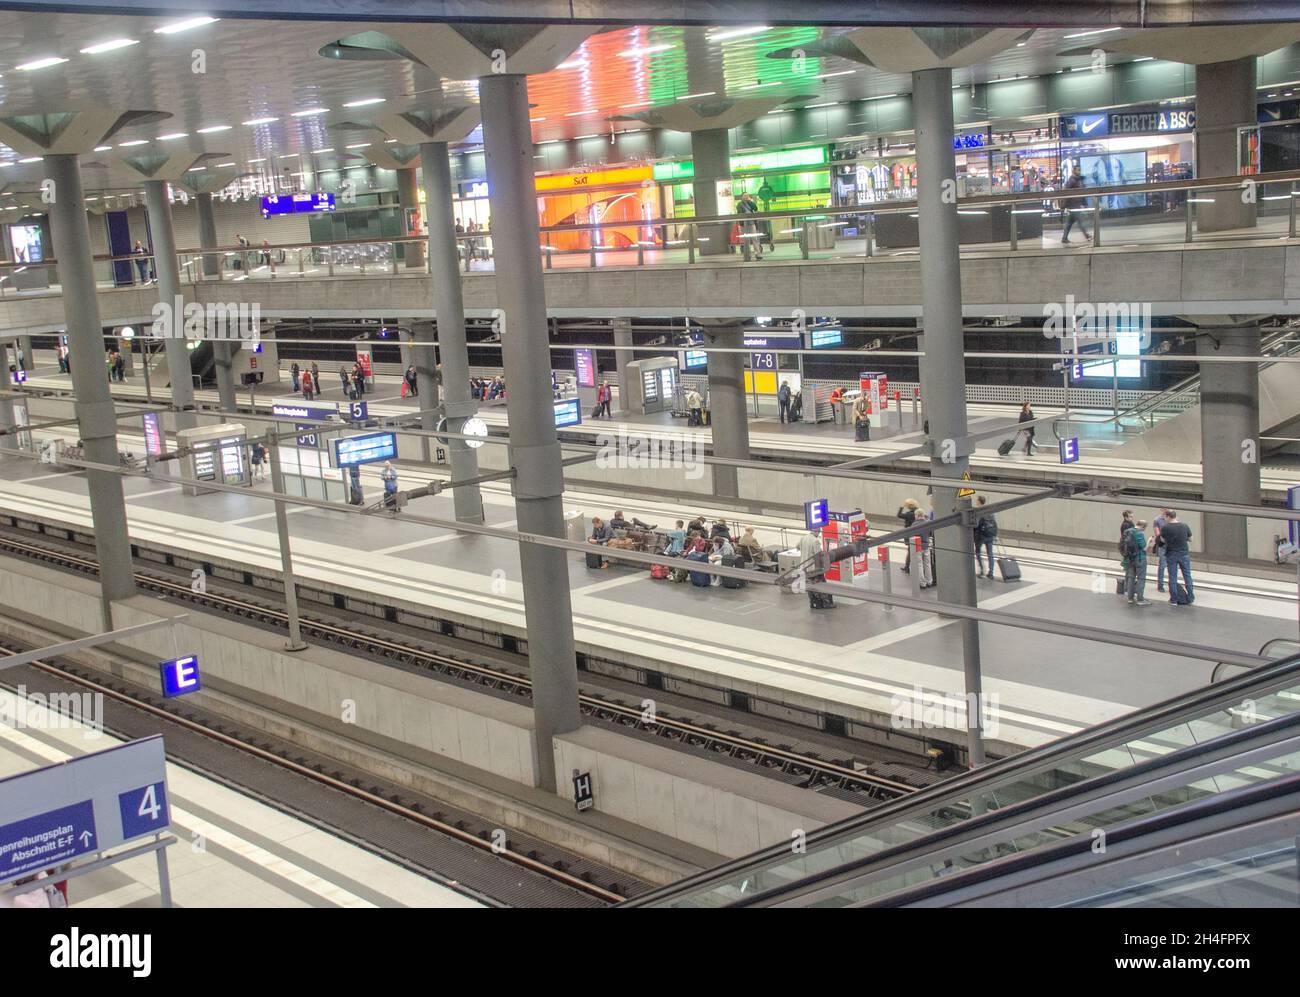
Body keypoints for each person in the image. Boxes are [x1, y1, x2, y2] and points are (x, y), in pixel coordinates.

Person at [1159, 509, 1194, 604]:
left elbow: (1162, 540)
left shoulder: (1165, 527)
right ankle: (1190, 598)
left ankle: (1174, 599)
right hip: (1184, 553)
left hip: (1171, 554)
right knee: (1187, 576)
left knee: (1173, 577)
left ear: (1168, 516)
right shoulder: (1184, 525)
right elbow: (1191, 539)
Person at [1121, 518, 1152, 606]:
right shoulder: (1140, 534)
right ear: (1142, 526)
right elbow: (1144, 548)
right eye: (1144, 528)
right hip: (1140, 559)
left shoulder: (1127, 531)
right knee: (1141, 578)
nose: (1144, 530)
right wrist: (1149, 541)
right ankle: (1140, 599)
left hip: (1130, 558)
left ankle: (1130, 598)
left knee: (1131, 578)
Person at [1060, 166, 1092, 244]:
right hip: (1073, 205)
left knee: (1070, 222)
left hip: (1076, 204)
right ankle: (1086, 235)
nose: (1079, 171)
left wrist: (1084, 203)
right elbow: (1066, 193)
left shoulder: (1078, 180)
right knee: (1079, 221)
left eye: (1080, 170)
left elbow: (1081, 193)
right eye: (1078, 170)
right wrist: (1063, 206)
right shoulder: (1072, 180)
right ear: (1074, 171)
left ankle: (1064, 238)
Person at [974, 495, 998, 578]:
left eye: (976, 500)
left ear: (979, 502)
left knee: (977, 553)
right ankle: (991, 572)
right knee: (990, 554)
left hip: (981, 536)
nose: (975, 501)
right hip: (990, 535)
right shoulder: (990, 510)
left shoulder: (978, 511)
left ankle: (981, 570)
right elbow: (994, 523)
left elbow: (976, 525)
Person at [737, 191, 763, 260]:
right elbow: (739, 213)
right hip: (744, 225)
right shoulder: (739, 204)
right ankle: (747, 255)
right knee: (746, 240)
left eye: (747, 195)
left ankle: (758, 254)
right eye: (745, 195)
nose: (746, 197)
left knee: (754, 239)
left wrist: (750, 202)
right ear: (742, 197)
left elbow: (755, 208)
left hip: (751, 224)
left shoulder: (750, 203)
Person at [898, 498, 919, 573]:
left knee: (910, 550)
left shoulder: (909, 514)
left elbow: (899, 515)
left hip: (909, 533)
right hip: (916, 533)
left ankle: (907, 567)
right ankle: (908, 567)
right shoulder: (917, 512)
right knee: (912, 550)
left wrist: (901, 507)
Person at [1151, 508, 1170, 593]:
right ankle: (1160, 585)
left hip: (1171, 546)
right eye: (1164, 509)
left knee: (1172, 566)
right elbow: (1157, 534)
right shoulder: (1157, 520)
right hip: (1163, 545)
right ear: (1161, 510)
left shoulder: (1172, 519)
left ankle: (1172, 585)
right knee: (1162, 566)